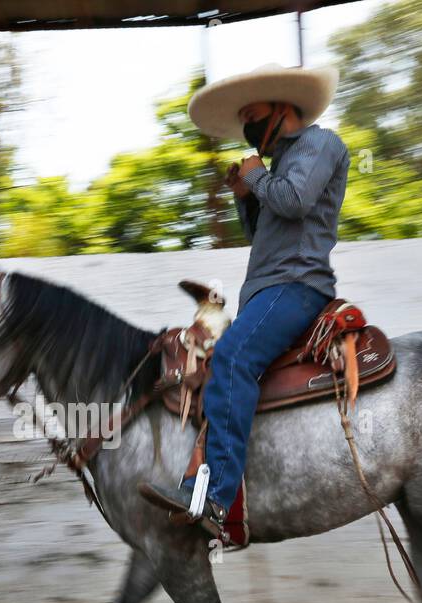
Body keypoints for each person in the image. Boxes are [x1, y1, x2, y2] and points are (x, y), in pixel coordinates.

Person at [139, 63, 349, 533]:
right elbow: (263, 233)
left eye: (253, 115)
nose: (248, 128)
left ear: (281, 109)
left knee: (231, 360)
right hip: (267, 291)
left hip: (296, 286)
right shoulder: (274, 167)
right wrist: (244, 194)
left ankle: (215, 499)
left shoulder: (321, 143)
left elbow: (294, 200)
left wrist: (255, 176)